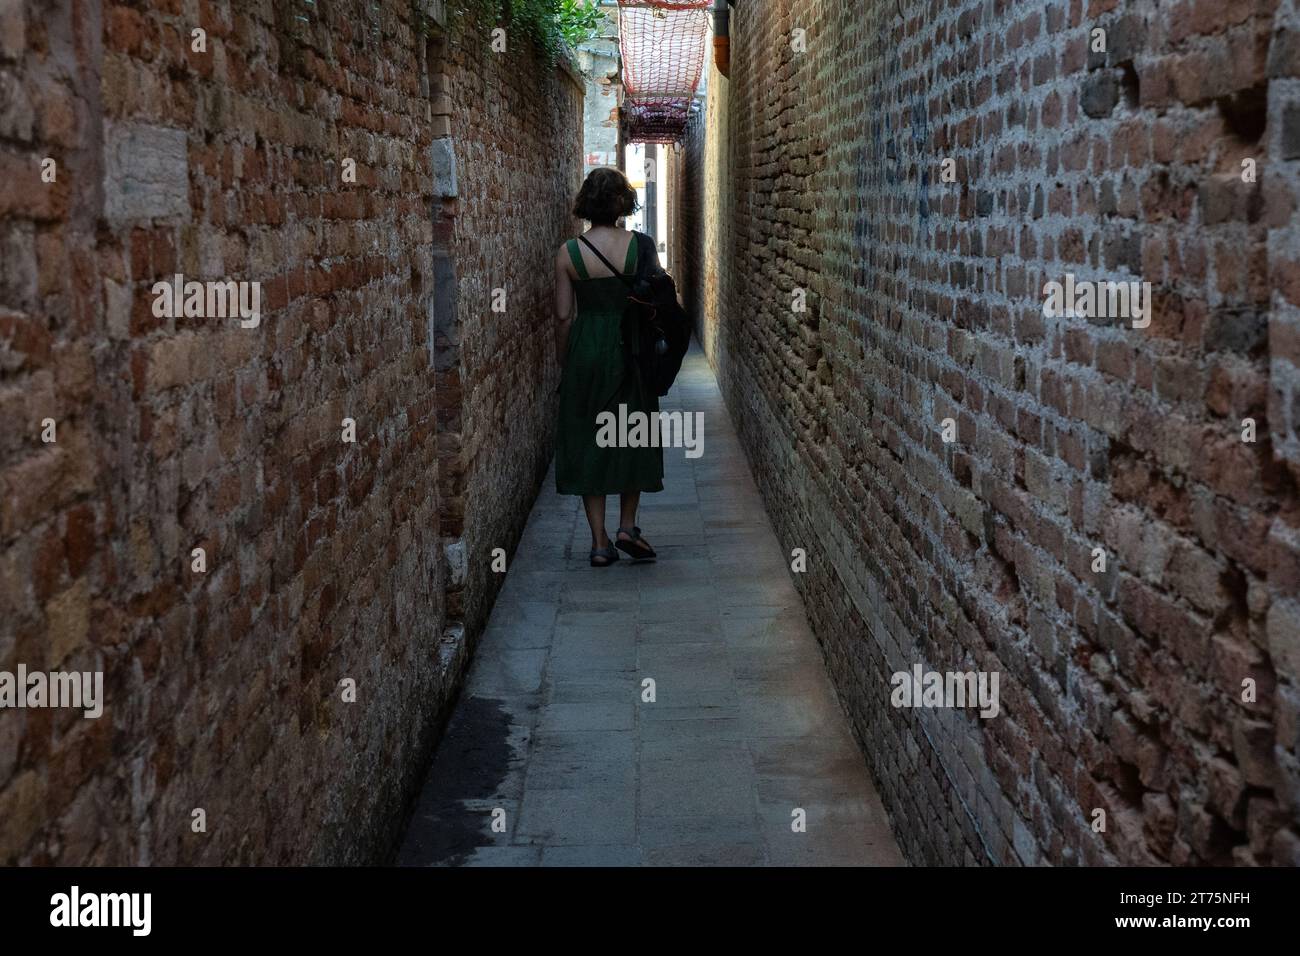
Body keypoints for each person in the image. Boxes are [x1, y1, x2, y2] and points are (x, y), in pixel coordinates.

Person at [553, 167, 663, 567]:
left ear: (586, 202)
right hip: (630, 350)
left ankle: (599, 541)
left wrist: (566, 360)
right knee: (632, 432)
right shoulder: (640, 245)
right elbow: (656, 301)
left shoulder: (569, 253)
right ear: (622, 202)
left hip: (587, 350)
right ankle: (626, 525)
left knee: (588, 438)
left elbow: (564, 317)